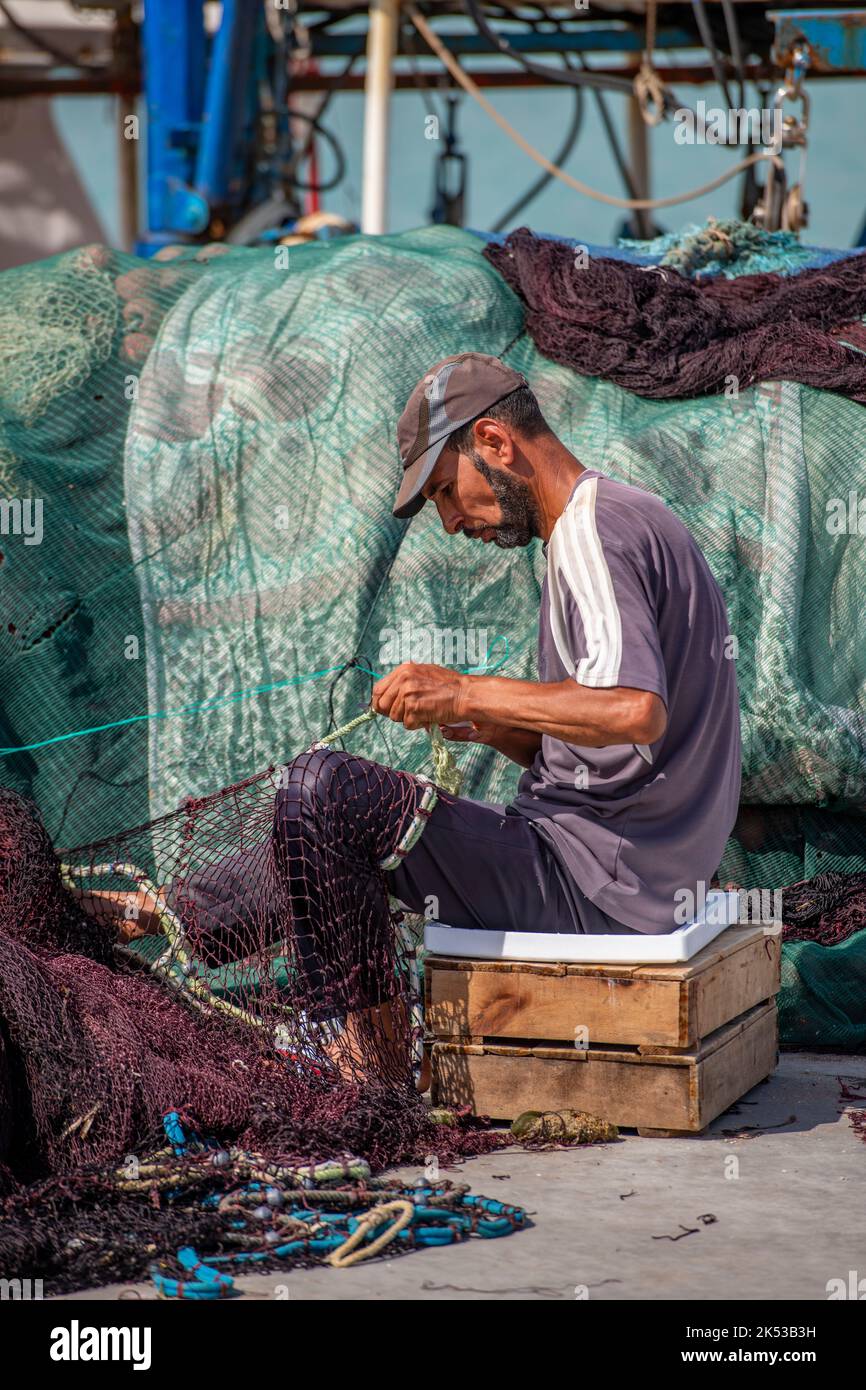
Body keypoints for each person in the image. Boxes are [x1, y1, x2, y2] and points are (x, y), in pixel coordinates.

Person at [79, 351, 741, 1086]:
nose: (452, 521)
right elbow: (613, 751)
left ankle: (367, 1073)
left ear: (493, 441)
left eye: (443, 494)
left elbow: (633, 711)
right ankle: (159, 913)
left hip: (598, 889)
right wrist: (496, 729)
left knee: (323, 789)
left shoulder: (592, 531)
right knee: (333, 818)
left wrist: (464, 693)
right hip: (618, 875)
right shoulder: (622, 517)